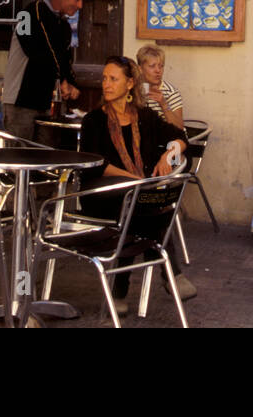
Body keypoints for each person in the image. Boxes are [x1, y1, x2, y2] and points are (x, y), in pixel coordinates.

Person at [79, 56, 190, 314]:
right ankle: (170, 272)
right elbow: (96, 163)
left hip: (136, 197)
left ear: (130, 84)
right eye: (104, 78)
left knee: (143, 207)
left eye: (113, 79)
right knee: (147, 205)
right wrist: (134, 180)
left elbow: (181, 138)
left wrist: (167, 155)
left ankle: (120, 290)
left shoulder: (145, 117)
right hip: (101, 193)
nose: (106, 84)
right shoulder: (94, 120)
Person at [1, 0, 86, 142]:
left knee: (43, 159)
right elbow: (40, 52)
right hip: (21, 101)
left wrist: (71, 83)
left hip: (45, 103)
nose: (80, 5)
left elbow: (64, 60)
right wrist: (62, 79)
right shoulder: (30, 13)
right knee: (19, 161)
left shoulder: (64, 25)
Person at [135, 44, 184, 130]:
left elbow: (179, 128)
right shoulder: (133, 89)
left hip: (167, 140)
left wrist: (164, 104)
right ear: (140, 69)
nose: (158, 70)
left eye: (161, 66)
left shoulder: (171, 92)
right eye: (152, 66)